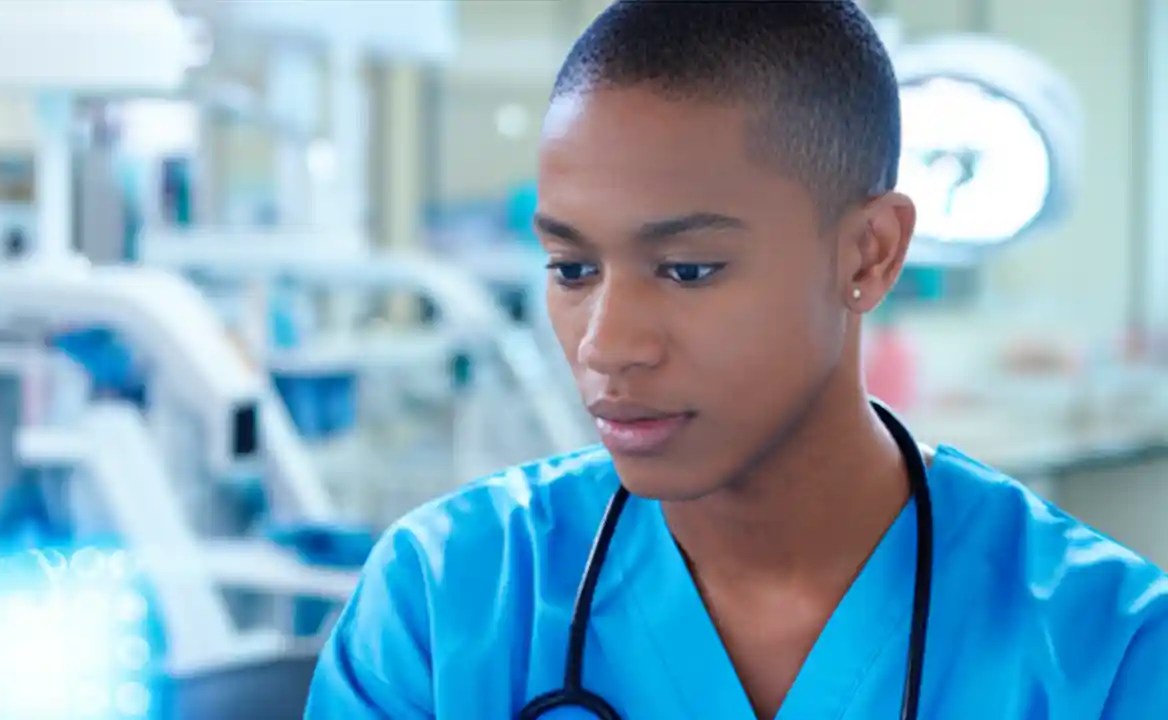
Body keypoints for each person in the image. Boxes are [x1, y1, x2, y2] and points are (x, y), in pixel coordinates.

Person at [305, 2, 1168, 718]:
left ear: (868, 254)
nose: (607, 344)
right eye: (573, 269)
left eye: (687, 270)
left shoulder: (1107, 655)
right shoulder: (448, 604)